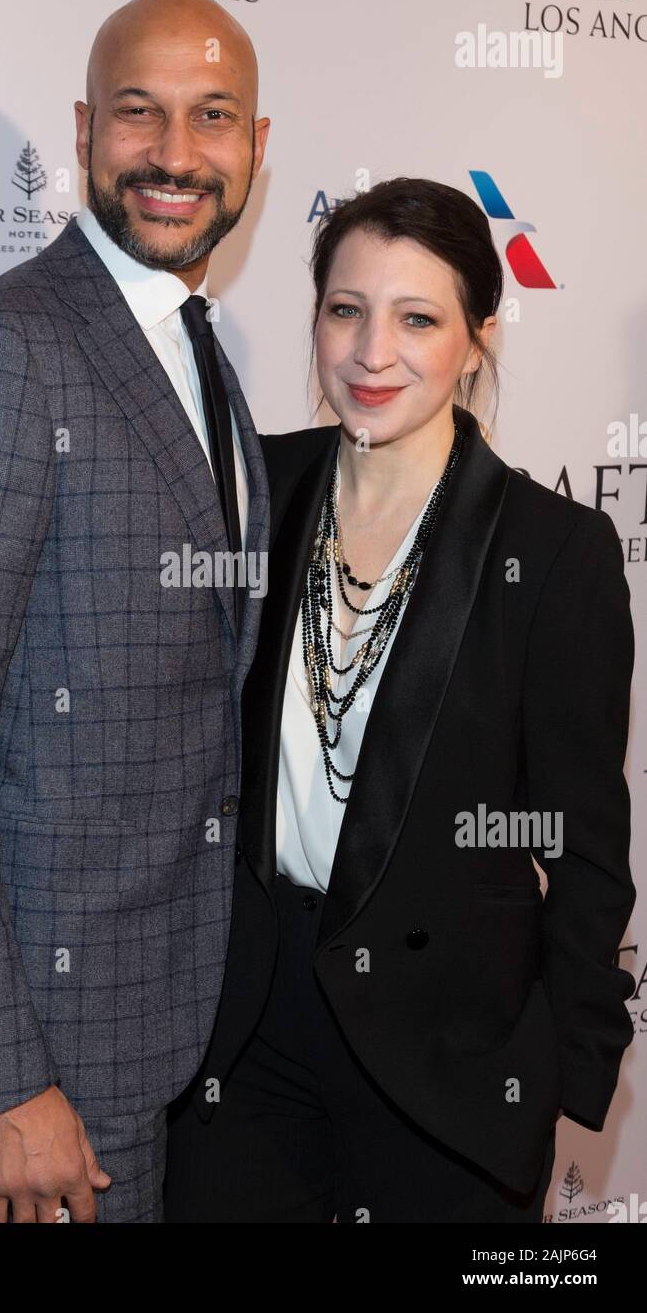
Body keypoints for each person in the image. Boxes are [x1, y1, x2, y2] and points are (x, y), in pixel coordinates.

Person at [0, 0, 271, 1224]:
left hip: (167, 1013)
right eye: (140, 114)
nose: (177, 154)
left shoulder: (198, 348)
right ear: (83, 131)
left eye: (212, 118)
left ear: (257, 145)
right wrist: (2, 1080)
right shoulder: (0, 354)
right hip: (47, 1048)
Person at [164, 177, 637, 1223]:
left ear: (474, 337)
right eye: (345, 310)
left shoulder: (551, 553)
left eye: (415, 317)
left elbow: (581, 845)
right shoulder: (251, 489)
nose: (370, 351)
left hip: (445, 1054)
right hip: (241, 1032)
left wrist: (557, 1069)